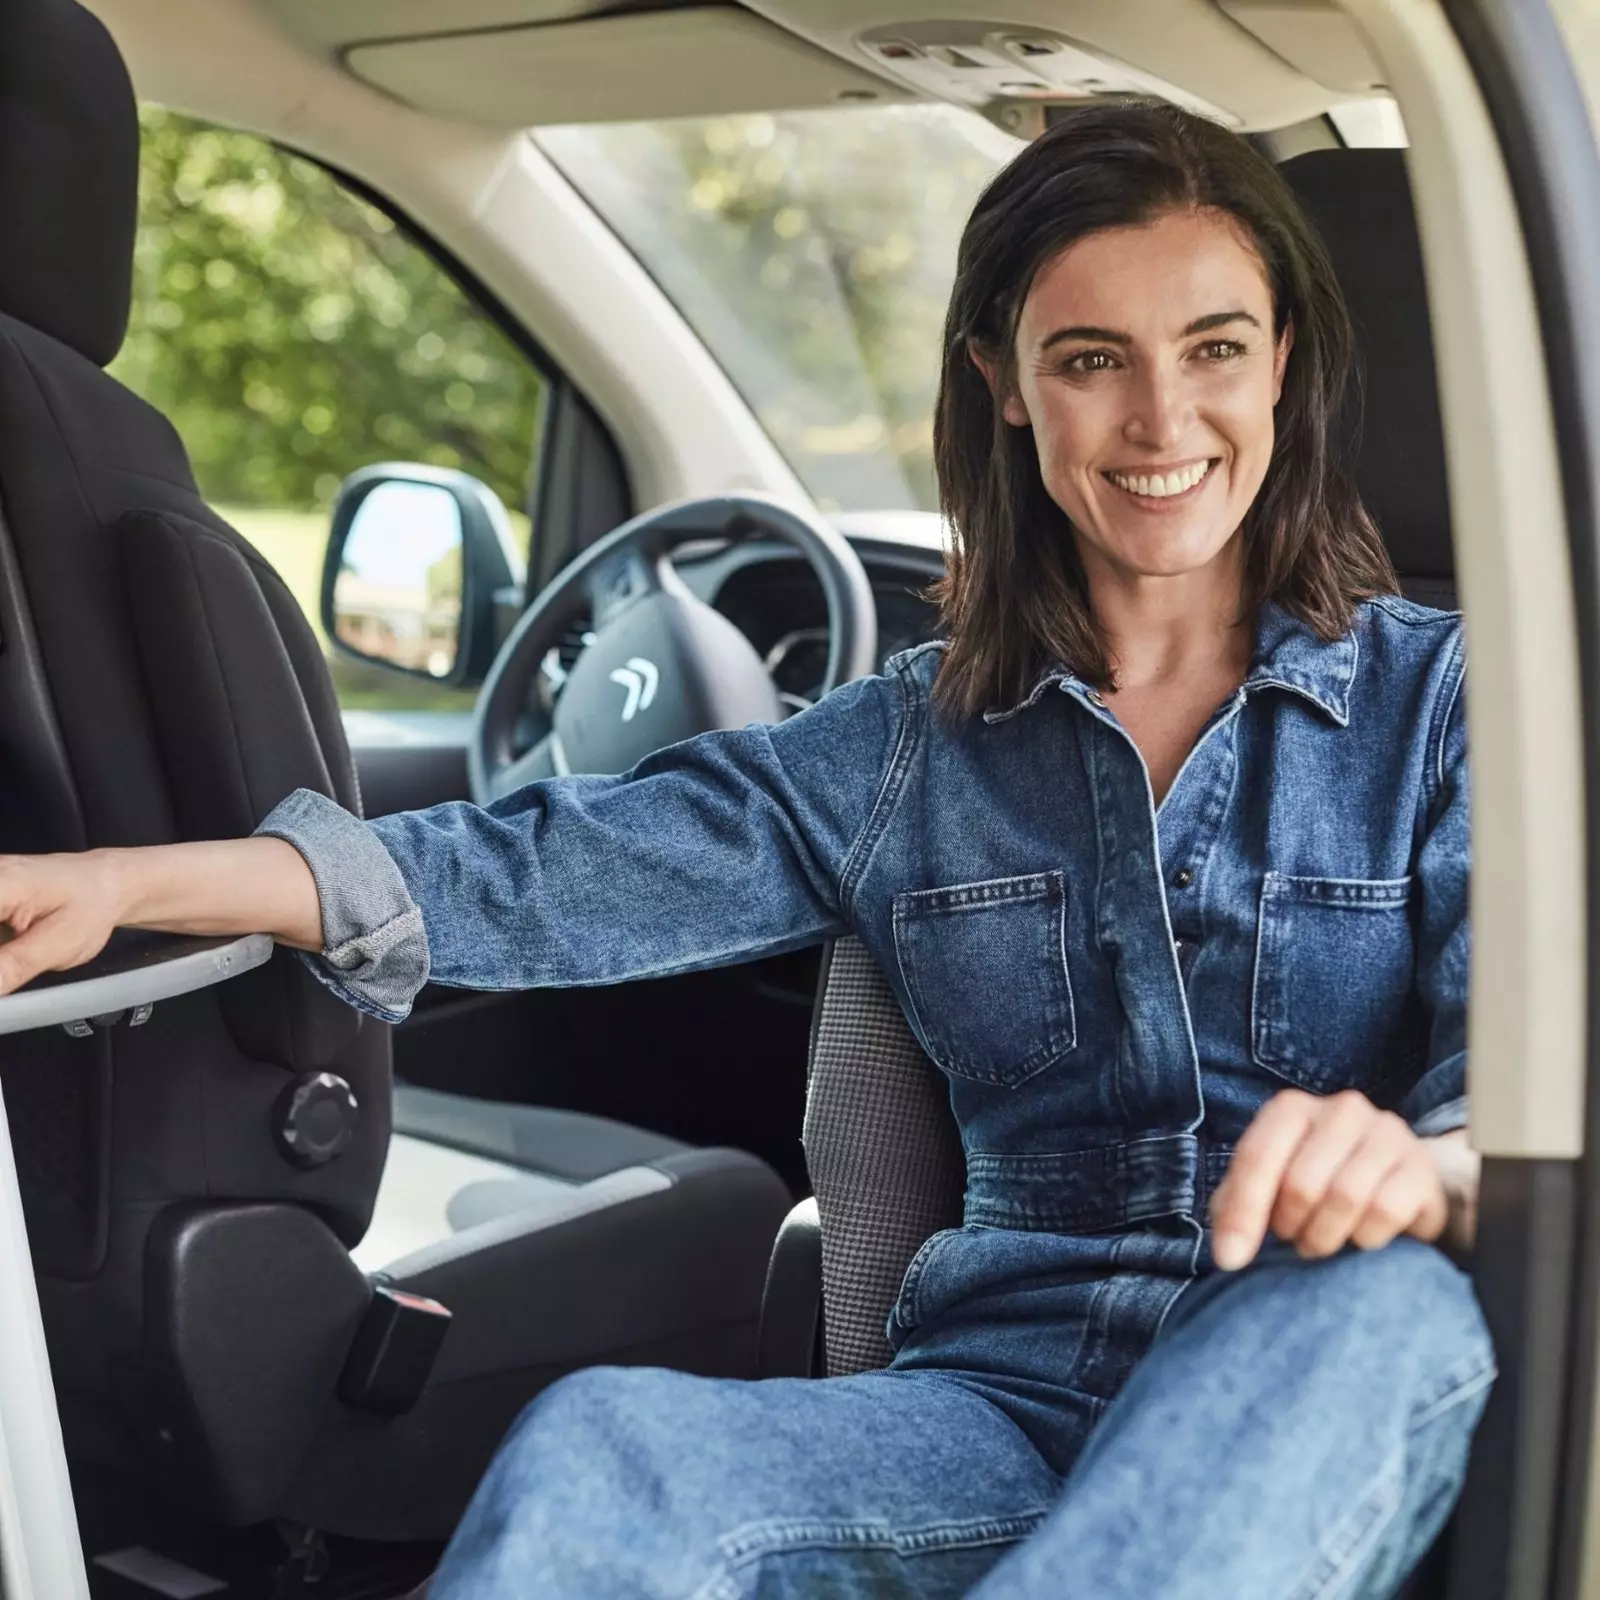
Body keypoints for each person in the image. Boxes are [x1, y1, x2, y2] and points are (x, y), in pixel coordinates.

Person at [0, 100, 1491, 1599]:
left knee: (1385, 1310)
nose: (1165, 422)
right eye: (1093, 359)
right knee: (608, 1445)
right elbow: (552, 864)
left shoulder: (1455, 710)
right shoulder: (912, 741)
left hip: (1308, 1359)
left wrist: (1421, 1169)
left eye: (1215, 348)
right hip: (994, 1403)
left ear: (1284, 363)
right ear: (1008, 386)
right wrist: (129, 881)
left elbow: (1524, 1090)